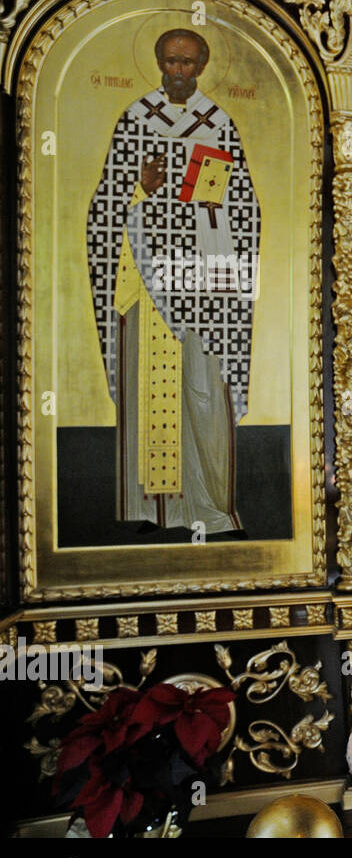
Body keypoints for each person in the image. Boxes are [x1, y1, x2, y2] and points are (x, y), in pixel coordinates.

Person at [85, 28, 259, 536]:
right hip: (148, 278)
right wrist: (139, 188)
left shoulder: (218, 124)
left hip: (203, 280)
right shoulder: (136, 119)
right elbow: (105, 206)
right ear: (160, 63)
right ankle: (155, 510)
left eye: (187, 62)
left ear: (201, 67)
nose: (178, 71)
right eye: (170, 61)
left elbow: (247, 208)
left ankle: (212, 507)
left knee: (204, 390)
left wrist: (214, 208)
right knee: (151, 390)